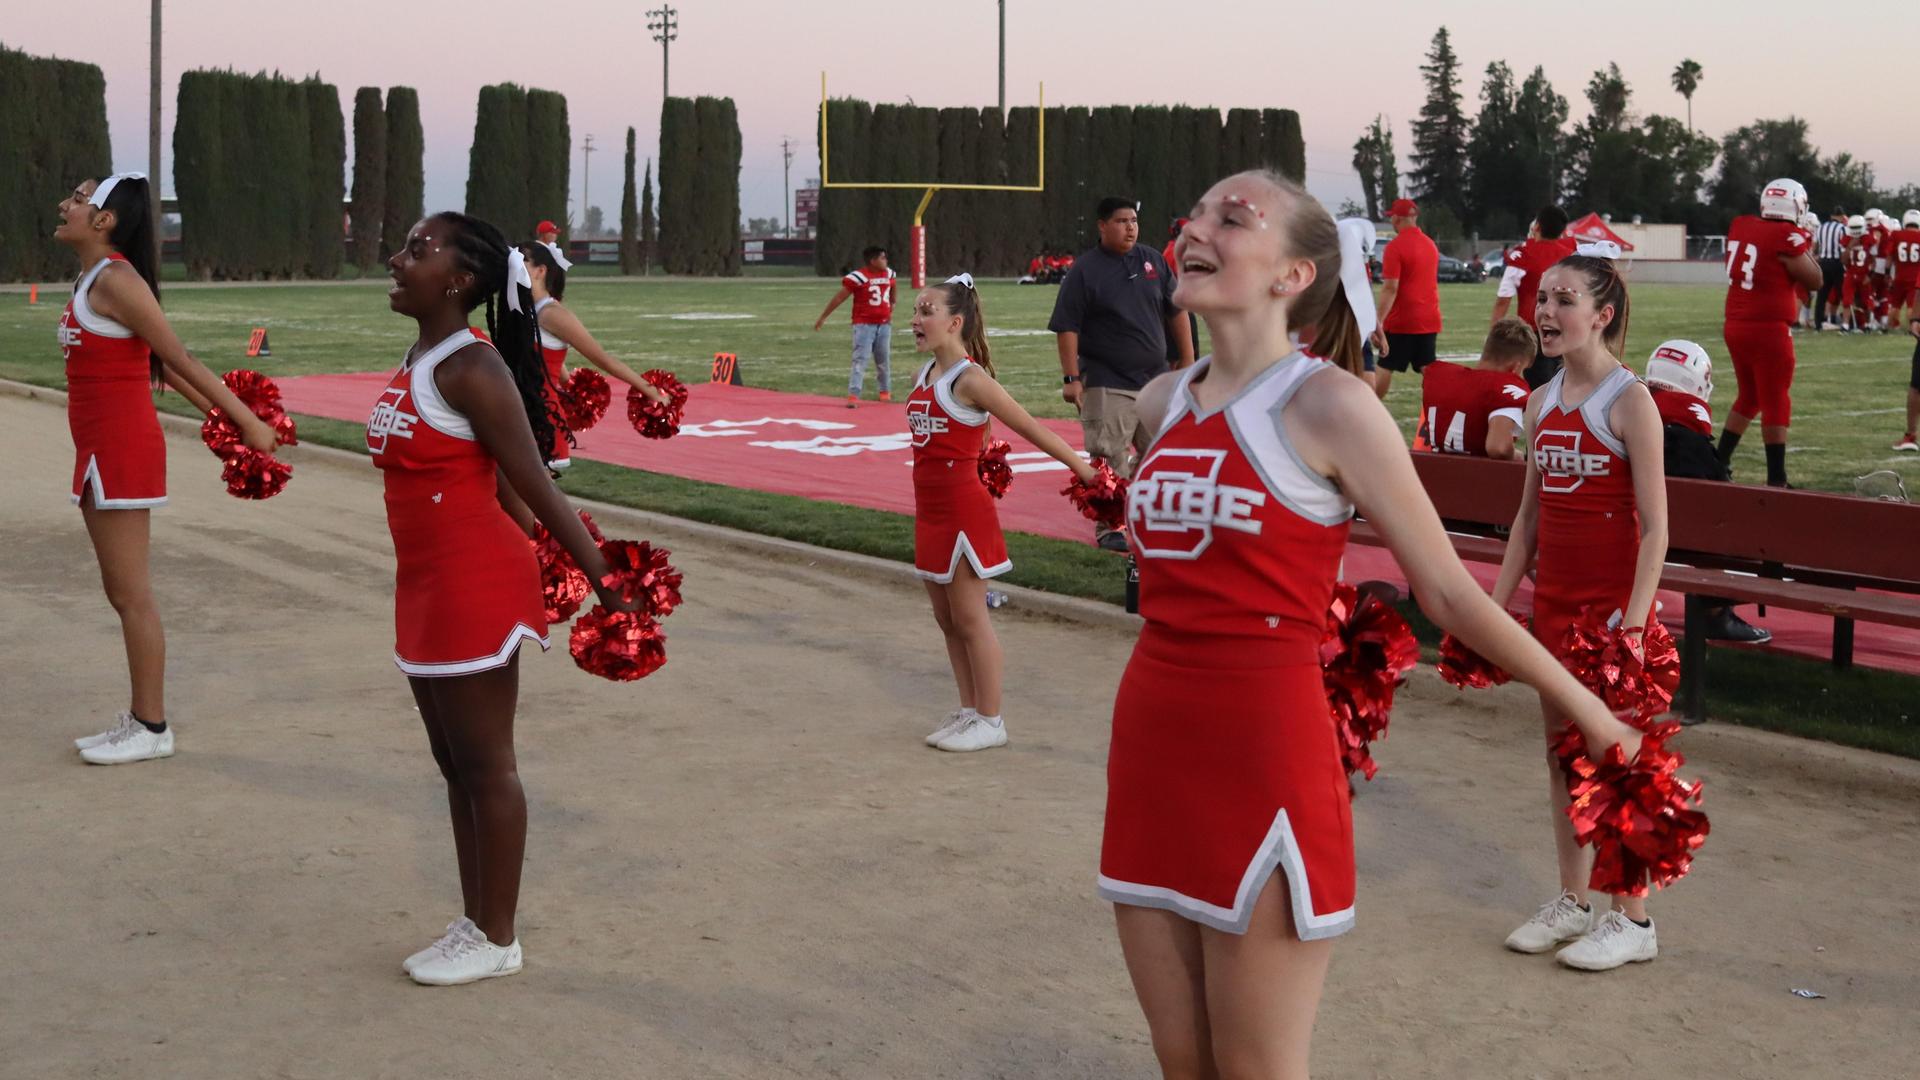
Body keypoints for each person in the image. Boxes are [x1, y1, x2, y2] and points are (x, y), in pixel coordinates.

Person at [1101, 169, 1640, 1077]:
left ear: (1293, 276)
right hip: (1151, 742)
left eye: (1231, 219)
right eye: (1193, 212)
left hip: (1265, 751)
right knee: (1180, 1060)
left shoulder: (1331, 406)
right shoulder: (1161, 402)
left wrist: (1592, 711)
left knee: (1255, 1067)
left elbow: (1449, 593)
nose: (1193, 229)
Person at [375, 211, 637, 985]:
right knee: (452, 764)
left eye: (417, 252)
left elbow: (533, 482)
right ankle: (474, 919)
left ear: (459, 281)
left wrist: (605, 579)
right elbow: (487, 478)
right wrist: (549, 554)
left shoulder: (471, 367)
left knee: (486, 766)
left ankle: (497, 938)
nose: (397, 260)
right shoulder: (424, 354)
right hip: (426, 585)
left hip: (472, 584)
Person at [55, 173, 283, 765]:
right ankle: (139, 719)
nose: (65, 205)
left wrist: (249, 424)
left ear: (105, 220)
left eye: (79, 200)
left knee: (133, 596)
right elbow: (164, 369)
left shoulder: (118, 280)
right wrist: (221, 418)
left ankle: (151, 726)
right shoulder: (93, 278)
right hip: (100, 450)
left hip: (121, 451)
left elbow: (180, 355)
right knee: (120, 592)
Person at [1490, 249, 1671, 972]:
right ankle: (1573, 902)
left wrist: (1633, 627)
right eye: (1541, 296)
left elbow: (1657, 530)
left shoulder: (1631, 402)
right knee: (1562, 758)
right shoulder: (1539, 400)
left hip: (1614, 621)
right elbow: (1527, 523)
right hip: (1554, 615)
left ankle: (1636, 919)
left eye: (1564, 299)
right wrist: (1495, 612)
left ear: (1603, 315)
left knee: (1618, 762)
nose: (1545, 311)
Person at [907, 274, 1100, 753]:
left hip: (963, 511)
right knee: (946, 619)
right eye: (914, 310)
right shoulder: (924, 375)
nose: (915, 319)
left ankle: (992, 719)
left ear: (954, 322)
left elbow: (1030, 427)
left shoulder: (971, 379)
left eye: (926, 311)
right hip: (928, 510)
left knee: (970, 618)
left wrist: (1082, 468)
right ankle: (970, 710)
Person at [1049, 197, 1195, 551]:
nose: (1130, 227)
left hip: (1155, 380)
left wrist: (1188, 360)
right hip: (1107, 379)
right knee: (1109, 455)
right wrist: (1071, 379)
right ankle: (1111, 526)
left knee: (1161, 454)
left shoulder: (1152, 260)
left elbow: (1176, 311)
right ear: (1102, 226)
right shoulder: (1085, 270)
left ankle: (1151, 518)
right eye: (1121, 221)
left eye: (1133, 220)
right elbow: (1067, 326)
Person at [1644, 340, 1772, 643]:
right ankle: (1715, 615)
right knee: (1722, 525)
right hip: (1682, 543)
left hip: (1626, 536)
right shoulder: (1691, 443)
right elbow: (1720, 507)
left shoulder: (1626, 419)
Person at [519, 240, 668, 471]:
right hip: (521, 414)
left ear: (540, 271)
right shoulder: (526, 310)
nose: (514, 265)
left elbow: (603, 359)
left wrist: (649, 390)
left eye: (522, 260)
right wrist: (570, 387)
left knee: (535, 504)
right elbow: (548, 361)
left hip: (542, 420)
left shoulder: (552, 314)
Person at [1717, 179, 1822, 488]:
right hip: (1767, 328)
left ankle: (1718, 460)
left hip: (1735, 324)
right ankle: (1777, 478)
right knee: (1776, 400)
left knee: (1749, 397)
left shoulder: (1742, 225)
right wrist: (1805, 242)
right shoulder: (1784, 235)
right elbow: (1814, 279)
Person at [1417, 317, 1534, 459]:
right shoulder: (1504, 389)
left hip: (1437, 470)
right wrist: (1518, 456)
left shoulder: (1440, 376)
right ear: (1516, 367)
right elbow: (1498, 448)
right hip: (1480, 475)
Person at [1490, 205, 1579, 389]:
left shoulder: (1524, 254)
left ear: (1537, 226)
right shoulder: (1572, 255)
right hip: (1568, 328)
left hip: (1535, 330)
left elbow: (1503, 299)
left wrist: (1495, 335)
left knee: (1538, 389)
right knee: (1563, 385)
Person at [1369, 197, 1442, 400]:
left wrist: (1379, 323)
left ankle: (1373, 409)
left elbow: (1390, 287)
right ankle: (1439, 410)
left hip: (1402, 319)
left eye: (1392, 217)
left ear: (1398, 219)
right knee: (1428, 368)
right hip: (1429, 318)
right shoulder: (1430, 245)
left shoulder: (1395, 247)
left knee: (1385, 364)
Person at [814, 246, 897, 408]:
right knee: (860, 359)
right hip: (864, 325)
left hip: (884, 324)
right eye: (882, 258)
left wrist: (892, 304)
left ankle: (885, 391)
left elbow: (893, 288)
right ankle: (854, 394)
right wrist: (823, 317)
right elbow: (839, 298)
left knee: (883, 360)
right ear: (873, 261)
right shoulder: (858, 277)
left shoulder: (888, 273)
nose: (885, 261)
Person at [1884, 209, 1920, 327]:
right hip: (1915, 278)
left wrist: (1887, 273)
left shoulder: (1896, 235)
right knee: (1911, 306)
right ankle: (1912, 328)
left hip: (1899, 276)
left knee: (1895, 305)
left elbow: (1889, 256)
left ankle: (1889, 327)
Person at [1813, 210, 1848, 330]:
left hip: (1824, 262)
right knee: (1843, 293)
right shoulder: (1842, 228)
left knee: (1822, 295)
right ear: (1841, 216)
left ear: (1831, 215)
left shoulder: (1821, 227)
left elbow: (1815, 247)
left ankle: (1818, 323)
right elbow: (1844, 246)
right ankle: (1846, 322)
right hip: (1837, 263)